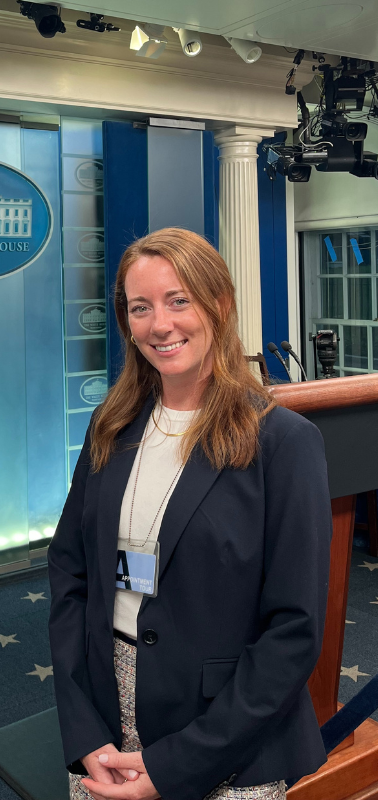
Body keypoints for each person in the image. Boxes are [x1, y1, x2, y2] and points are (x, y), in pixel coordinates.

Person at [48, 228, 331, 800]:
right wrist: (82, 728)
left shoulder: (283, 443)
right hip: (105, 715)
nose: (160, 324)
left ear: (219, 304)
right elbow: (70, 572)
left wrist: (178, 763)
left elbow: (294, 629)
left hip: (226, 731)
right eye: (140, 307)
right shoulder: (110, 424)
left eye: (179, 300)